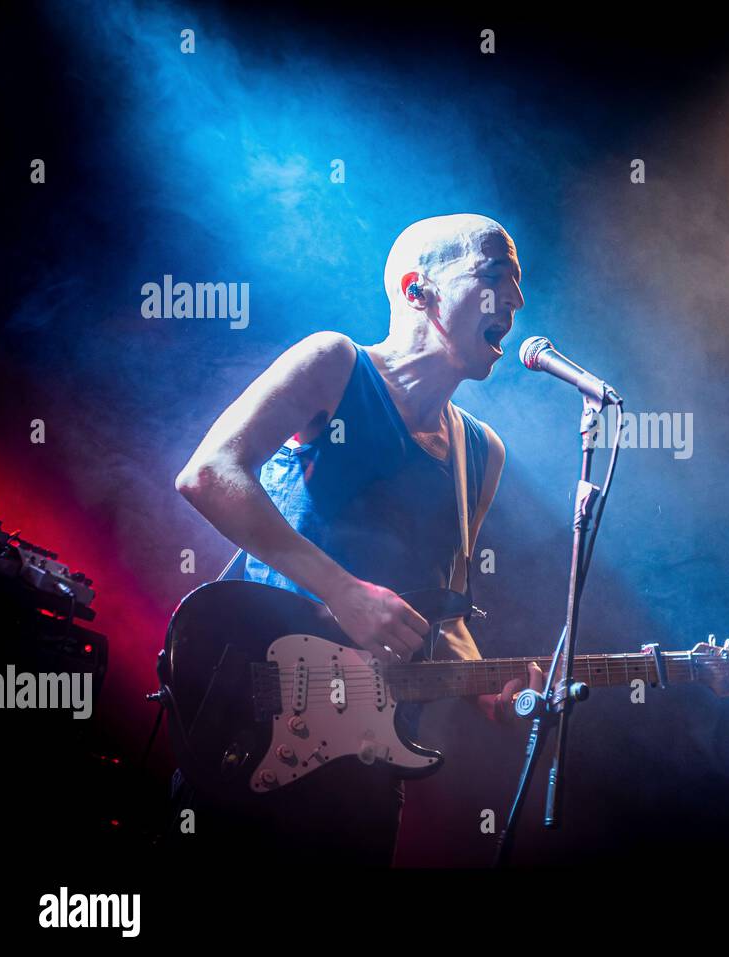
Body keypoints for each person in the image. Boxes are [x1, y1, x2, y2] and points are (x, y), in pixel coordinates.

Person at [169, 213, 544, 866]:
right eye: (493, 277)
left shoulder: (482, 453)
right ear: (416, 289)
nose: (514, 300)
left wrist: (487, 687)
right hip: (257, 715)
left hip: (367, 769)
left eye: (518, 285)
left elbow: (441, 609)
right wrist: (343, 592)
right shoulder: (335, 364)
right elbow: (208, 473)